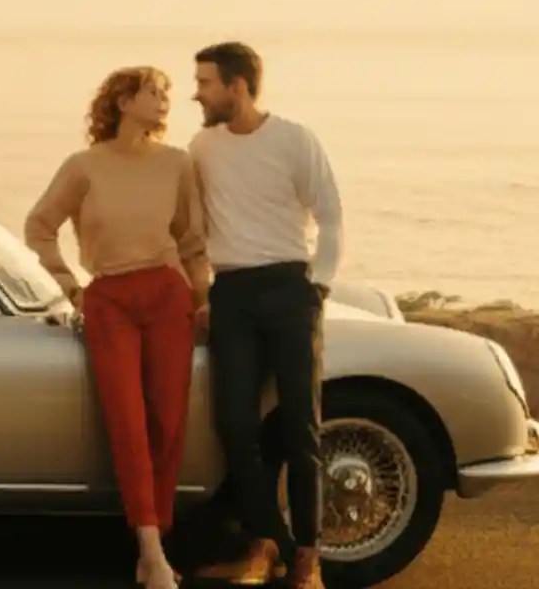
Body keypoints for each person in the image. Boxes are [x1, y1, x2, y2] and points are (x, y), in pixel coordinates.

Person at [24, 65, 211, 589]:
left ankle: (158, 537)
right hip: (109, 301)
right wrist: (71, 286)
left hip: (167, 296)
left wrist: (203, 300)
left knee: (168, 421)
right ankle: (150, 552)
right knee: (126, 420)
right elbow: (39, 227)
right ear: (123, 100)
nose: (164, 101)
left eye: (167, 94)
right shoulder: (84, 166)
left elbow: (193, 241)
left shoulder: (177, 163)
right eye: (153, 92)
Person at [186, 42, 343, 589]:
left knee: (302, 427)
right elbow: (195, 227)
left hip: (289, 288)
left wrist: (317, 287)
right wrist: (201, 291)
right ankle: (263, 543)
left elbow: (331, 216)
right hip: (231, 294)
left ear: (237, 86)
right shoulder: (202, 146)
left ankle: (307, 557)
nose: (196, 92)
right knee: (235, 424)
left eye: (204, 82)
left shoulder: (295, 140)